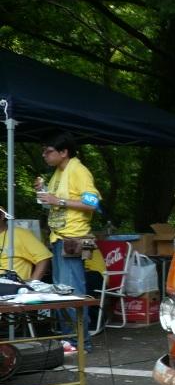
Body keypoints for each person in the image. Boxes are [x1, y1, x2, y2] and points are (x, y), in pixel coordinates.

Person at [35, 132, 101, 354]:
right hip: (60, 238)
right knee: (60, 292)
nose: (44, 155)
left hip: (75, 239)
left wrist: (58, 200)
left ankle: (81, 342)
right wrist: (44, 194)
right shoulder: (58, 173)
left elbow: (93, 203)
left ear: (64, 152)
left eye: (49, 151)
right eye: (43, 151)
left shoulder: (79, 170)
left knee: (72, 292)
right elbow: (56, 203)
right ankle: (69, 340)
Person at [0, 213, 52, 281]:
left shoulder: (19, 233)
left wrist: (33, 283)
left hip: (12, 285)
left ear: (2, 217)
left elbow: (44, 258)